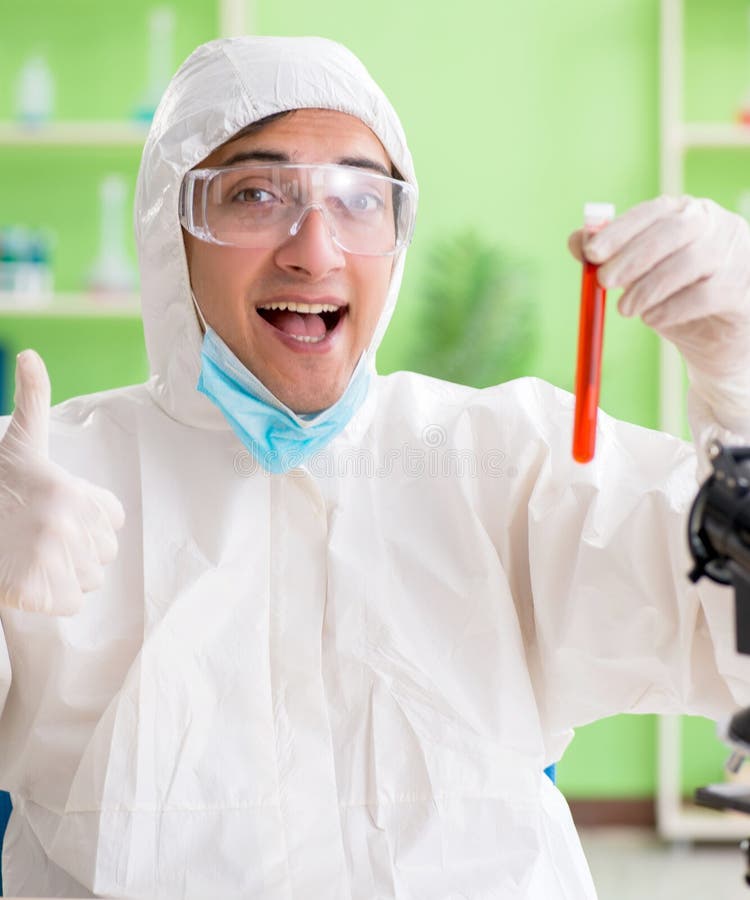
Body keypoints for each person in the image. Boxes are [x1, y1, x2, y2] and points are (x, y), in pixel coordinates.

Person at [0, 34, 749, 900]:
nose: (315, 250)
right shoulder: (45, 482)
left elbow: (725, 633)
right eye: (254, 194)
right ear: (173, 231)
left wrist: (737, 395)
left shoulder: (506, 460)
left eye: (361, 199)